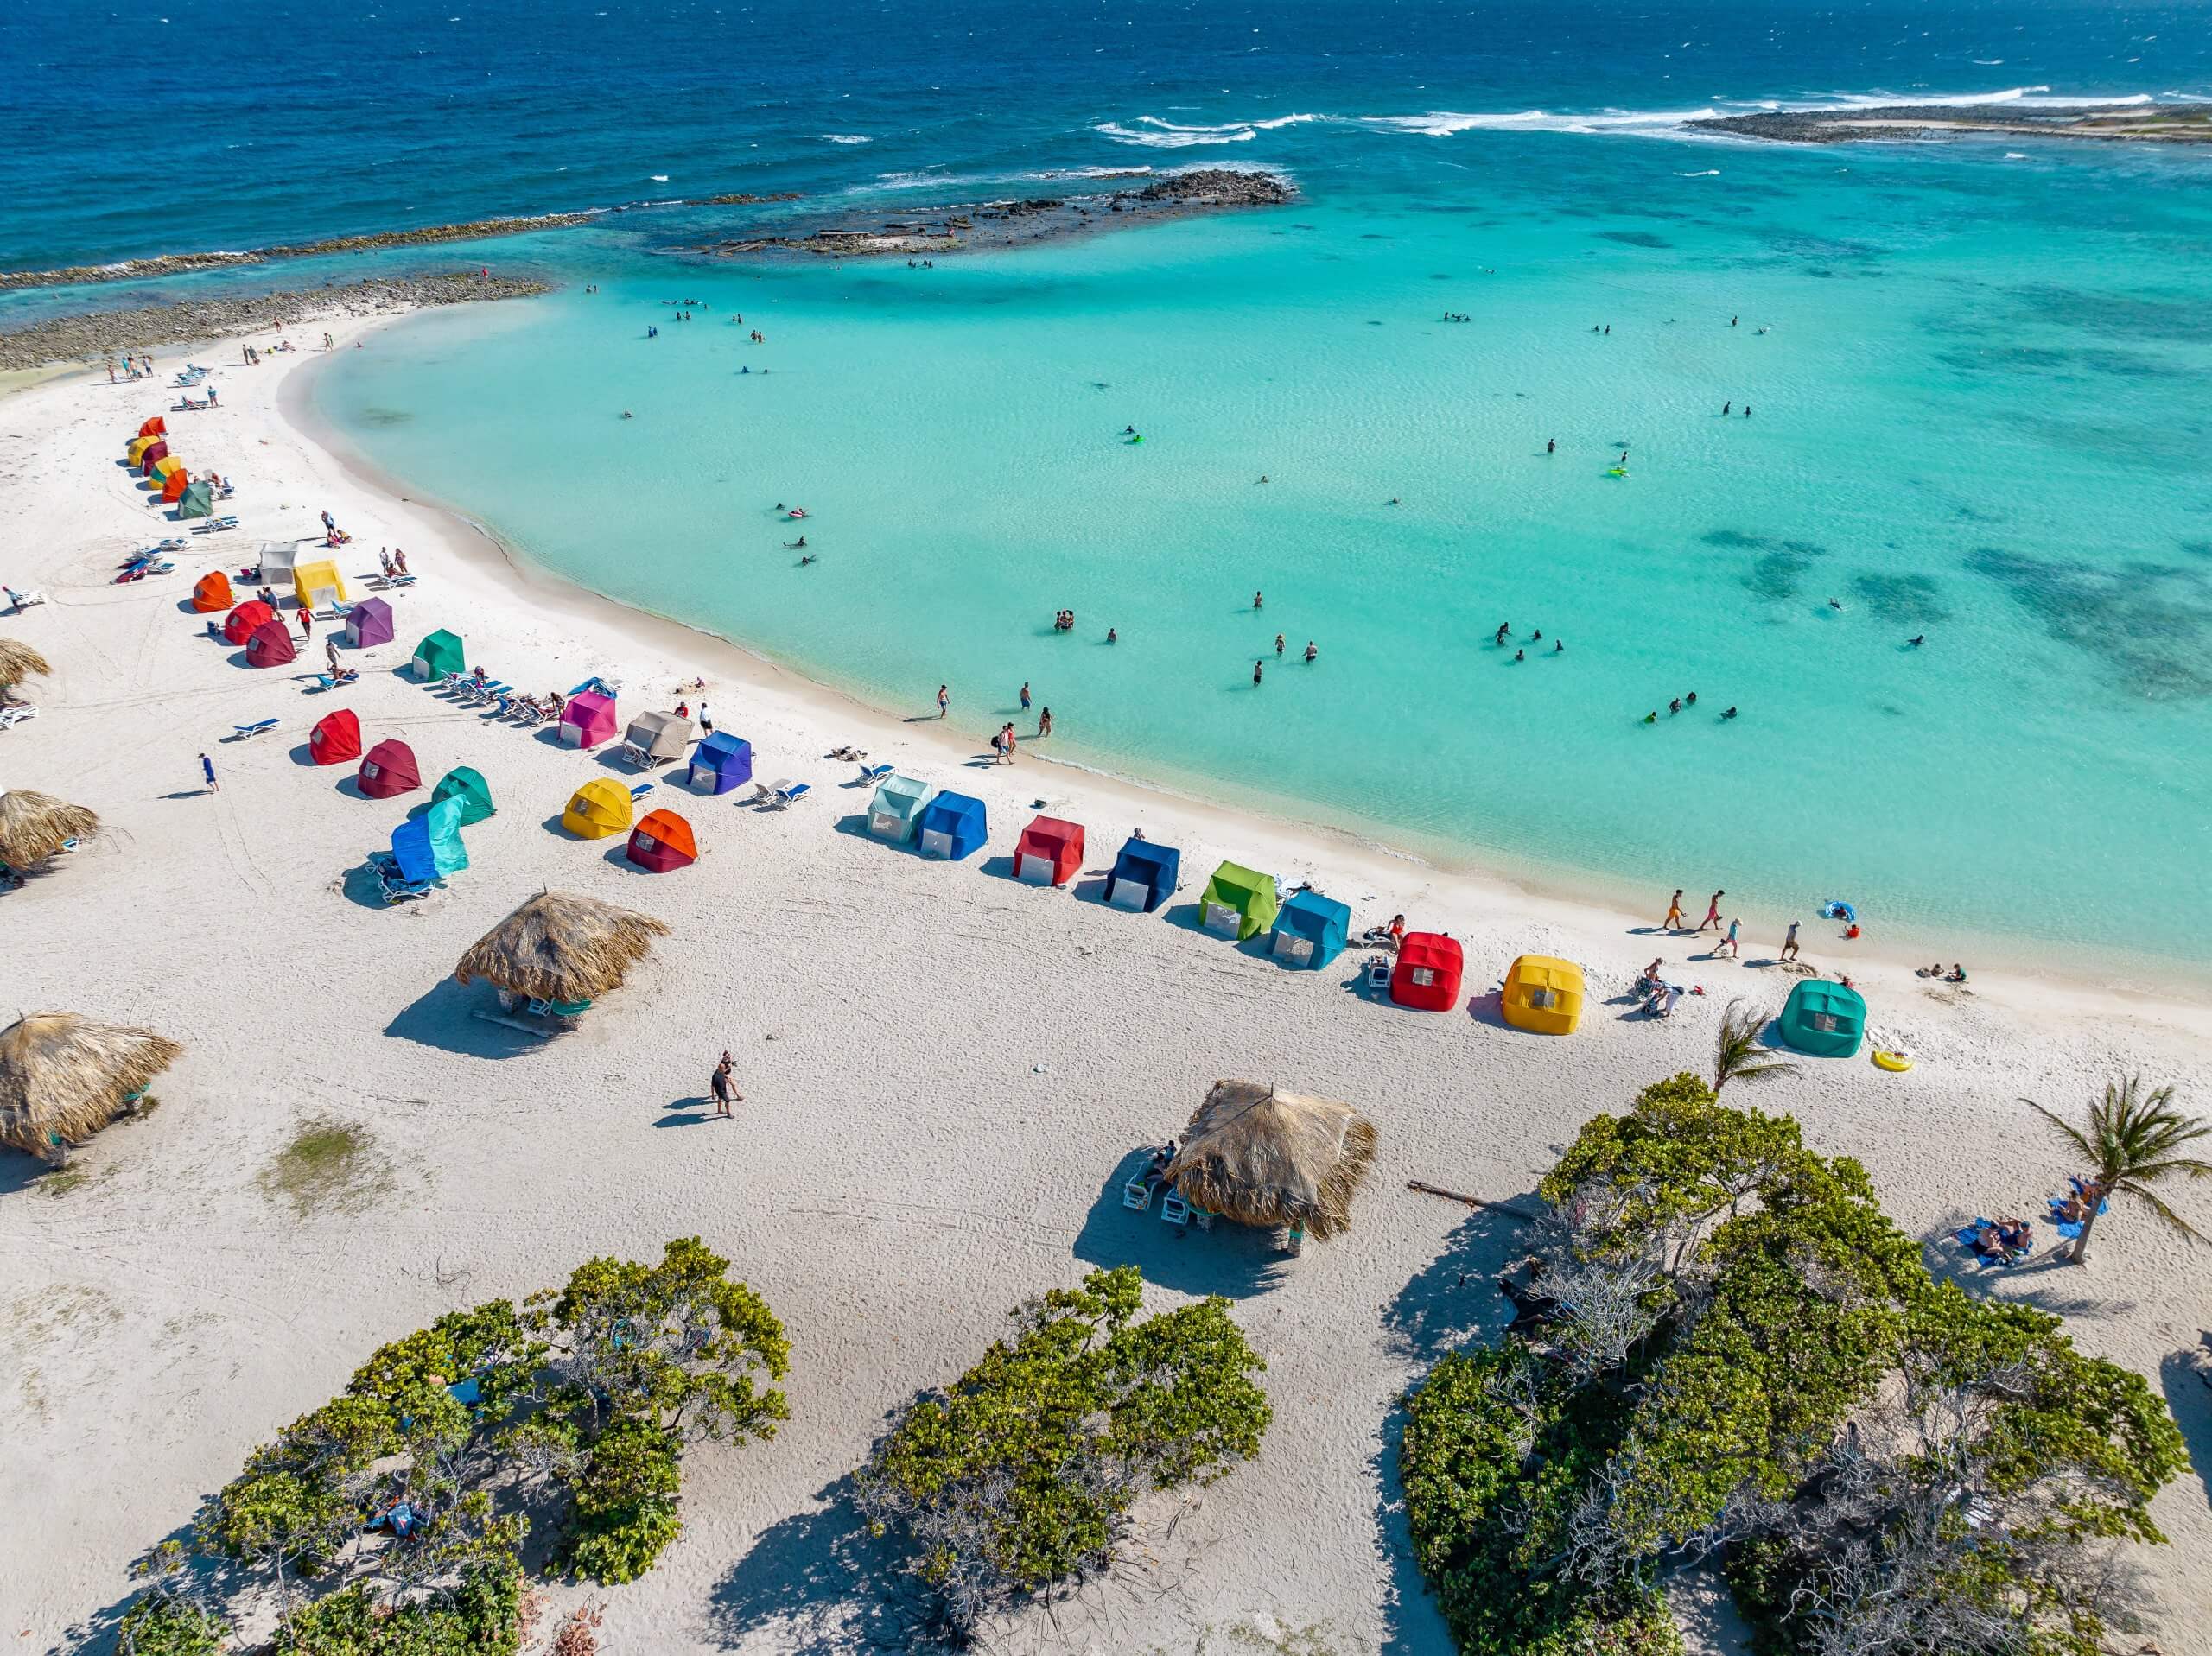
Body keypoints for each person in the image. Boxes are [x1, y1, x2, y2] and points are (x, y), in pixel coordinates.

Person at [710, 1052, 741, 1120]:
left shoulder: (720, 1072)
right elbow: (712, 1086)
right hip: (720, 1090)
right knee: (727, 1101)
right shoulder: (715, 1076)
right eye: (724, 1068)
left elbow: (723, 1073)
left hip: (723, 1088)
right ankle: (728, 1114)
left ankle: (719, 1111)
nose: (725, 1069)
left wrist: (727, 1077)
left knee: (720, 1099)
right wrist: (712, 1095)